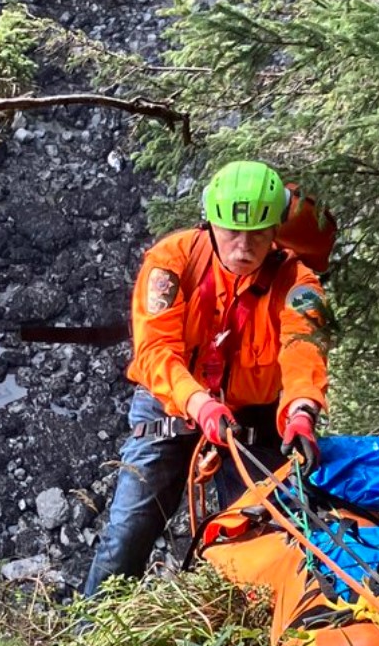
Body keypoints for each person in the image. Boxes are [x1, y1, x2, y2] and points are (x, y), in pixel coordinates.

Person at [79, 160, 333, 599]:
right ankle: (90, 639)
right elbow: (156, 350)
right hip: (170, 406)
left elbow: (302, 352)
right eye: (231, 231)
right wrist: (198, 403)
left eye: (257, 232)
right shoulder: (172, 263)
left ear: (276, 230)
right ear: (210, 223)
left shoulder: (297, 281)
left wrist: (301, 411)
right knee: (128, 535)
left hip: (254, 420)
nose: (243, 246)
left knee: (261, 538)